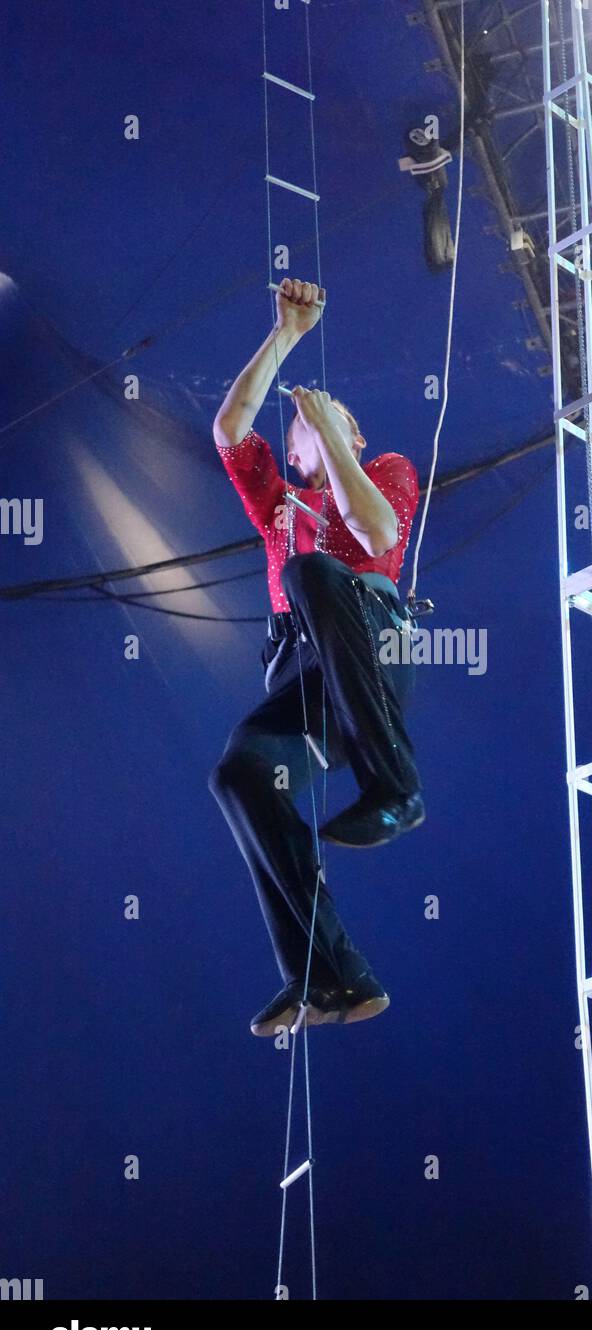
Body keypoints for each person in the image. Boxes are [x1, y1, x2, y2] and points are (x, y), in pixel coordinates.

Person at [209, 278, 424, 1037]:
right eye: (303, 423)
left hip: (369, 642)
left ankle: (396, 785)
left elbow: (377, 539)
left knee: (311, 573)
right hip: (303, 678)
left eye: (337, 419)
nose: (313, 421)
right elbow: (231, 427)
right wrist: (286, 337)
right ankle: (326, 974)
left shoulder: (386, 470)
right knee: (238, 772)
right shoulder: (275, 503)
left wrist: (333, 432)